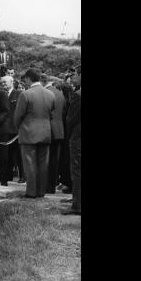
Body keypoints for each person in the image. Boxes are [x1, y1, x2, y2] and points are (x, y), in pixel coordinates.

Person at [14, 69, 55, 198]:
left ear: (28, 79)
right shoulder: (50, 94)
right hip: (45, 132)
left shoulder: (25, 94)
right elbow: (52, 113)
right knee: (43, 164)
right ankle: (41, 191)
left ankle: (31, 192)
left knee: (30, 164)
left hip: (28, 133)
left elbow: (17, 116)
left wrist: (18, 128)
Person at [0, 76, 21, 185]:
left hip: (16, 130)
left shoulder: (19, 94)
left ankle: (22, 177)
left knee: (17, 155)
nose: (3, 84)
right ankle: (5, 178)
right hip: (3, 129)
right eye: (1, 83)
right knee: (5, 156)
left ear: (12, 82)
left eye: (5, 82)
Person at [45, 75, 67, 194]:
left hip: (48, 130)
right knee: (54, 160)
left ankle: (47, 186)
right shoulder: (60, 93)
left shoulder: (46, 93)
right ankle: (52, 185)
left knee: (46, 160)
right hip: (59, 130)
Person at [63, 66, 81, 215]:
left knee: (77, 171)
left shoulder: (78, 95)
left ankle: (77, 206)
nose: (74, 77)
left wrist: (69, 136)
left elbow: (71, 119)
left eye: (75, 75)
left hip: (78, 138)